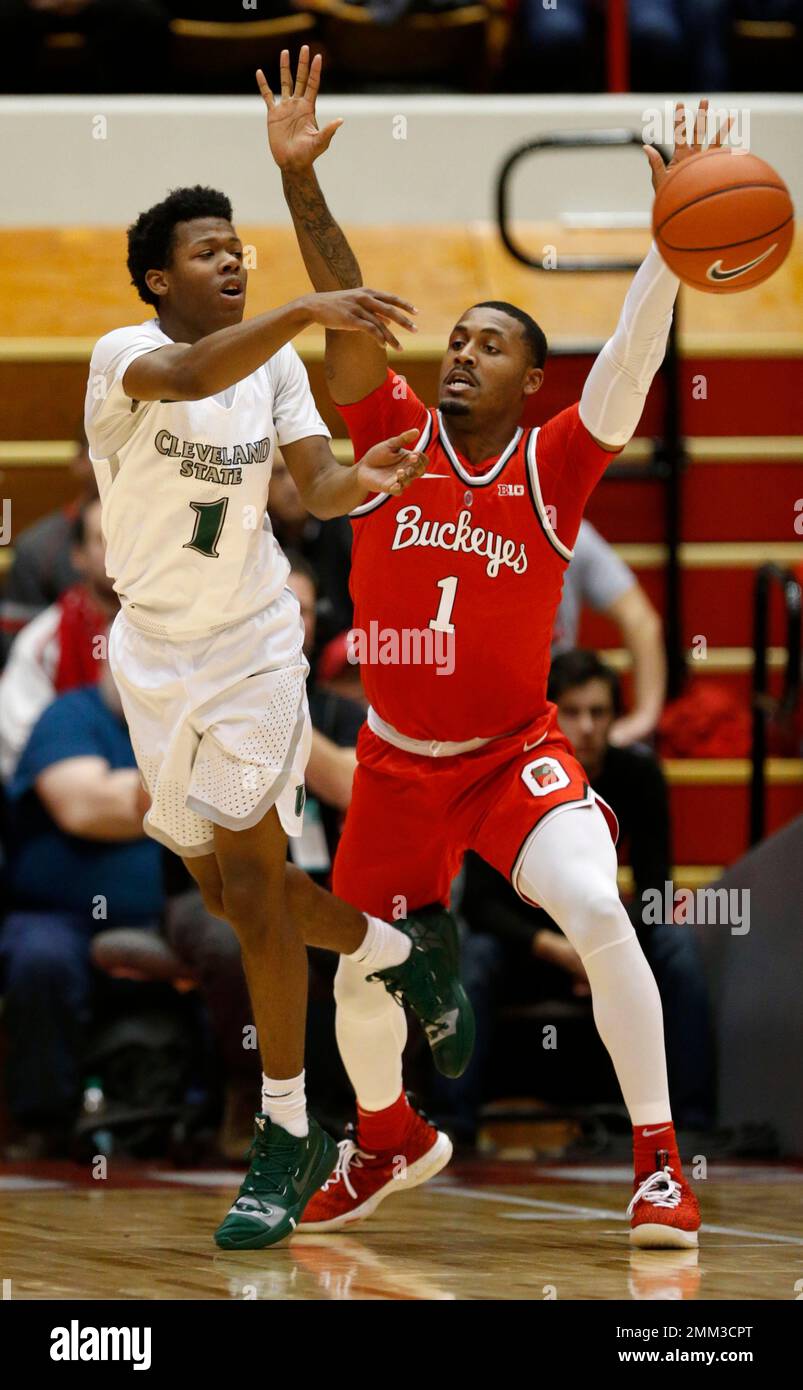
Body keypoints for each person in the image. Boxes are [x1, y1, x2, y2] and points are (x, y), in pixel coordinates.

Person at [264, 51, 729, 1247]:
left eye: (488, 344)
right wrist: (299, 181)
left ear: (529, 381)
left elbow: (625, 371)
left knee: (591, 901)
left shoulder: (550, 464)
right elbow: (346, 302)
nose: (459, 352)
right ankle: (388, 1141)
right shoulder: (387, 432)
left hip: (511, 750)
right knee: (359, 985)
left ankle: (659, 1163)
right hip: (396, 761)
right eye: (455, 338)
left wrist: (667, 248)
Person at [83, 183, 473, 1249]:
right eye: (209, 252)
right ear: (159, 278)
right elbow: (196, 369)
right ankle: (401, 950)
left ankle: (289, 1129)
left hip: (253, 643)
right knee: (227, 891)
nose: (234, 262)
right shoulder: (123, 355)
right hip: (155, 656)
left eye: (239, 249)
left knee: (252, 882)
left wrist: (368, 479)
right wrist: (306, 310)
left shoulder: (280, 370)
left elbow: (317, 483)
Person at [445, 650, 716, 1140]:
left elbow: (656, 888)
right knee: (474, 957)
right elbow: (480, 903)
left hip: (605, 935)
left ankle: (691, 1124)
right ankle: (455, 1125)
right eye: (572, 712)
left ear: (616, 717)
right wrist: (560, 951)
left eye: (599, 712)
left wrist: (605, 949)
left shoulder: (638, 775)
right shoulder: (507, 774)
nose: (587, 726)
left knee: (676, 946)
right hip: (532, 947)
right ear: (549, 712)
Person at [0, 657, 161, 1154]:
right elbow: (83, 807)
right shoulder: (70, 716)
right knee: (40, 958)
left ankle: (219, 1114)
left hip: (166, 914)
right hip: (56, 913)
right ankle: (42, 1122)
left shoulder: (189, 725)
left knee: (233, 946)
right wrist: (186, 791)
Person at [0, 496, 118, 781]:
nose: (121, 551)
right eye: (105, 539)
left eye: (132, 538)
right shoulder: (42, 642)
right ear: (77, 555)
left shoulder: (185, 630)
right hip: (68, 796)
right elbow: (17, 750)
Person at [553, 520, 666, 746]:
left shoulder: (571, 533)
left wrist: (644, 718)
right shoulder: (470, 535)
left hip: (558, 712)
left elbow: (641, 622)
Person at [0, 428, 97, 664]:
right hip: (57, 691)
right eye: (101, 453)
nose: (115, 465)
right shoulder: (38, 549)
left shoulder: (167, 542)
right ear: (79, 461)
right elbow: (17, 656)